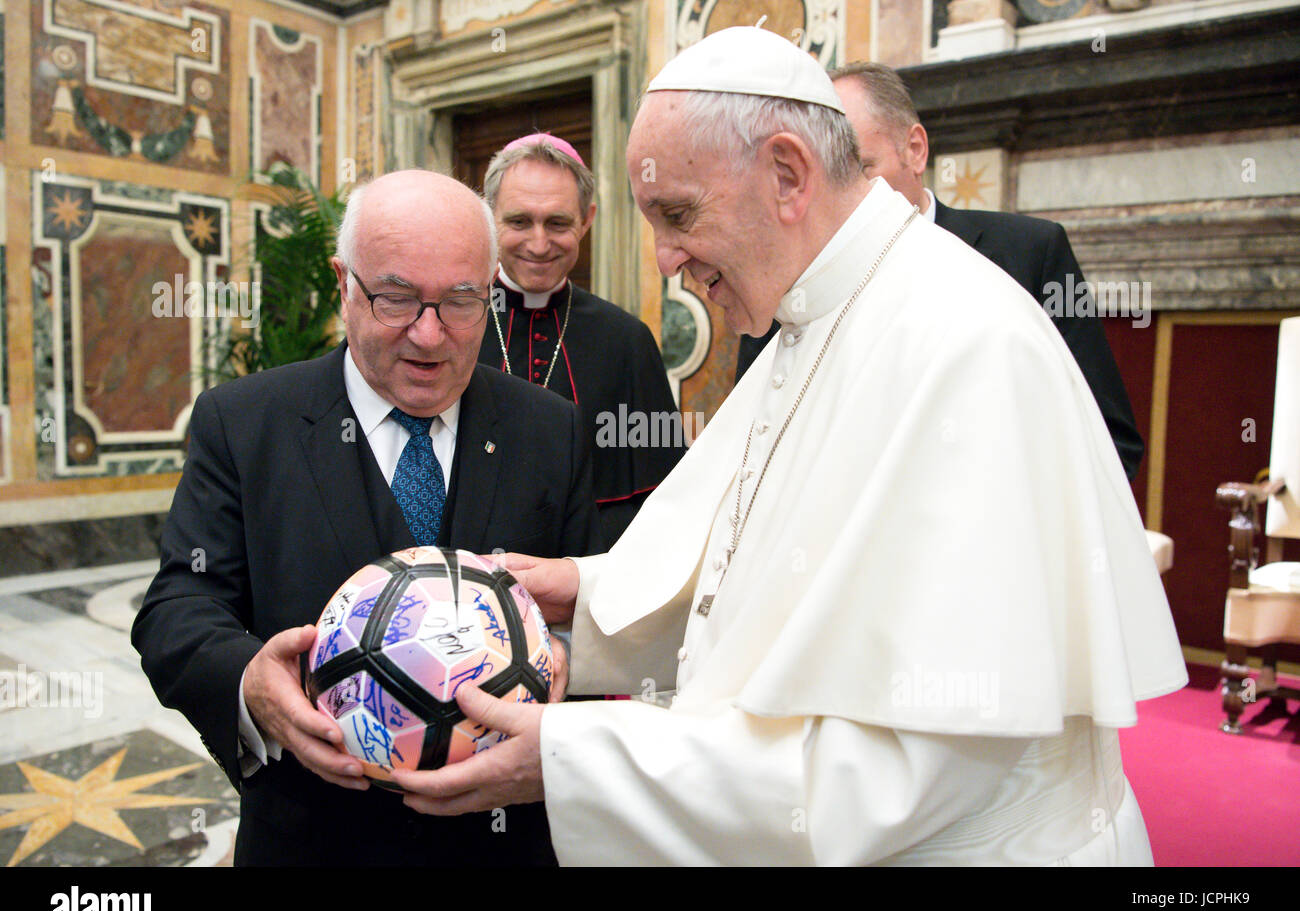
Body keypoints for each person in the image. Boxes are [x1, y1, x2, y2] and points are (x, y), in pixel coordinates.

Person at [391, 28, 1187, 866]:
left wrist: (569, 758)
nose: (664, 260)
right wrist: (577, 594)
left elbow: (904, 772)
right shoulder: (814, 317)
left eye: (677, 214)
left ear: (787, 175)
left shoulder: (965, 343)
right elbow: (749, 564)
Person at [131, 170, 601, 866]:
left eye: (463, 301)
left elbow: (584, 596)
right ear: (343, 282)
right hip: (314, 838)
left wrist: (563, 652)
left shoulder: (550, 429)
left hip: (504, 844)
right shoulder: (244, 422)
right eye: (396, 298)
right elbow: (178, 607)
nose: (430, 335)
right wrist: (250, 683)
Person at [734, 62, 1145, 481]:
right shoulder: (787, 288)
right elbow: (749, 457)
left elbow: (1111, 444)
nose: (840, 201)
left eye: (860, 170)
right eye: (823, 181)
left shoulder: (1032, 254)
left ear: (914, 149)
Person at [478, 133, 685, 546]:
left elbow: (663, 497)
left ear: (587, 219)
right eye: (519, 222)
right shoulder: (449, 326)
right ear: (489, 217)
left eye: (558, 223)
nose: (539, 244)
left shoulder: (626, 341)